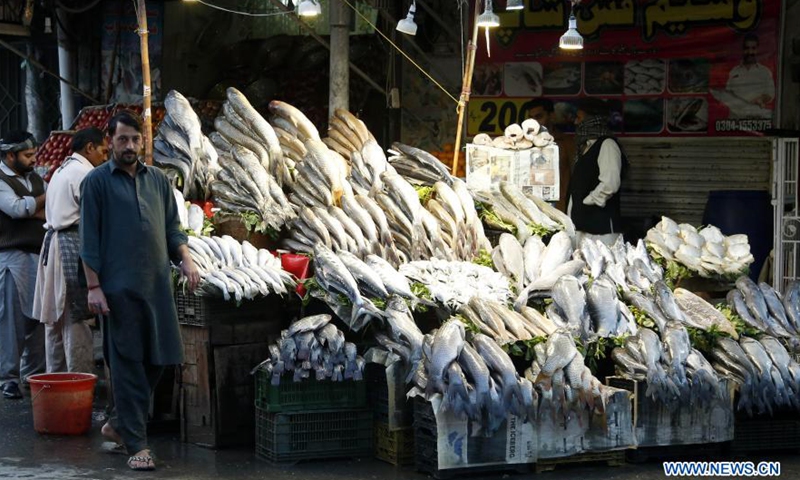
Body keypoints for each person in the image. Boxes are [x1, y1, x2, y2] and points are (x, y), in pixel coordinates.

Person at [80, 112, 200, 471]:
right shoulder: (96, 182)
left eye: (135, 139)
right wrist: (94, 287)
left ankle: (117, 424)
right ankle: (137, 444)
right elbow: (89, 240)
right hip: (118, 291)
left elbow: (173, 229)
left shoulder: (159, 180)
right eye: (122, 140)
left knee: (163, 358)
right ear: (109, 141)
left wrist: (186, 259)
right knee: (129, 365)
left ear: (142, 141)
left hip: (157, 288)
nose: (129, 146)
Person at [33, 128, 108, 374]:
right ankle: (78, 380)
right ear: (90, 148)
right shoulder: (85, 174)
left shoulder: (62, 169)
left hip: (54, 243)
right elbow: (94, 218)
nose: (105, 157)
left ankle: (57, 378)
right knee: (75, 317)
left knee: (57, 319)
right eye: (103, 151)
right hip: (69, 243)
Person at [0, 130, 46, 399]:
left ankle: (33, 375)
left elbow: (49, 208)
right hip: (11, 257)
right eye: (28, 155)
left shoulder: (35, 179)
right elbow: (17, 209)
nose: (33, 159)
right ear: (10, 156)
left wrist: (30, 209)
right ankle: (8, 378)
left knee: (38, 317)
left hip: (37, 255)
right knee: (12, 320)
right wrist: (33, 208)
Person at [567, 98, 628, 247]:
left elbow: (610, 183)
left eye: (579, 118)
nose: (576, 122)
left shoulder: (607, 145)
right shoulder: (585, 148)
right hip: (583, 227)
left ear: (591, 120)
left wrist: (588, 201)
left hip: (602, 232)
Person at [527, 98, 575, 213]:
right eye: (531, 118)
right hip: (530, 208)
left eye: (539, 117)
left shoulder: (566, 142)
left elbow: (575, 177)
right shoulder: (523, 144)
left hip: (559, 208)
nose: (534, 122)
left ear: (551, 116)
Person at [725, 33, 774, 119]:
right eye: (747, 48)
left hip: (756, 120)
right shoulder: (733, 72)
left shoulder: (765, 72)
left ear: (757, 49)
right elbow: (727, 94)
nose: (750, 52)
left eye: (753, 48)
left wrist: (761, 99)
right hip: (735, 121)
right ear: (743, 50)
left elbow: (770, 94)